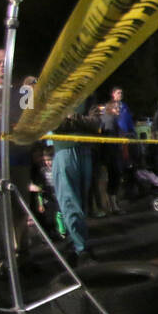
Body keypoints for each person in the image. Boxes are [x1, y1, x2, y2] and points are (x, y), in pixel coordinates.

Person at [0, 50, 33, 272]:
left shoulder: (22, 93)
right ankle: (0, 258)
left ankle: (23, 255)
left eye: (5, 62)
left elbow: (32, 119)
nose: (2, 66)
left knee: (21, 209)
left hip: (20, 159)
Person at [51, 102, 103, 266]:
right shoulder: (58, 95)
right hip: (65, 151)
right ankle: (81, 249)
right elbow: (55, 123)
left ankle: (75, 245)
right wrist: (82, 122)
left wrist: (73, 119)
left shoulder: (87, 96)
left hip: (85, 149)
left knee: (81, 204)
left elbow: (95, 123)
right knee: (70, 202)